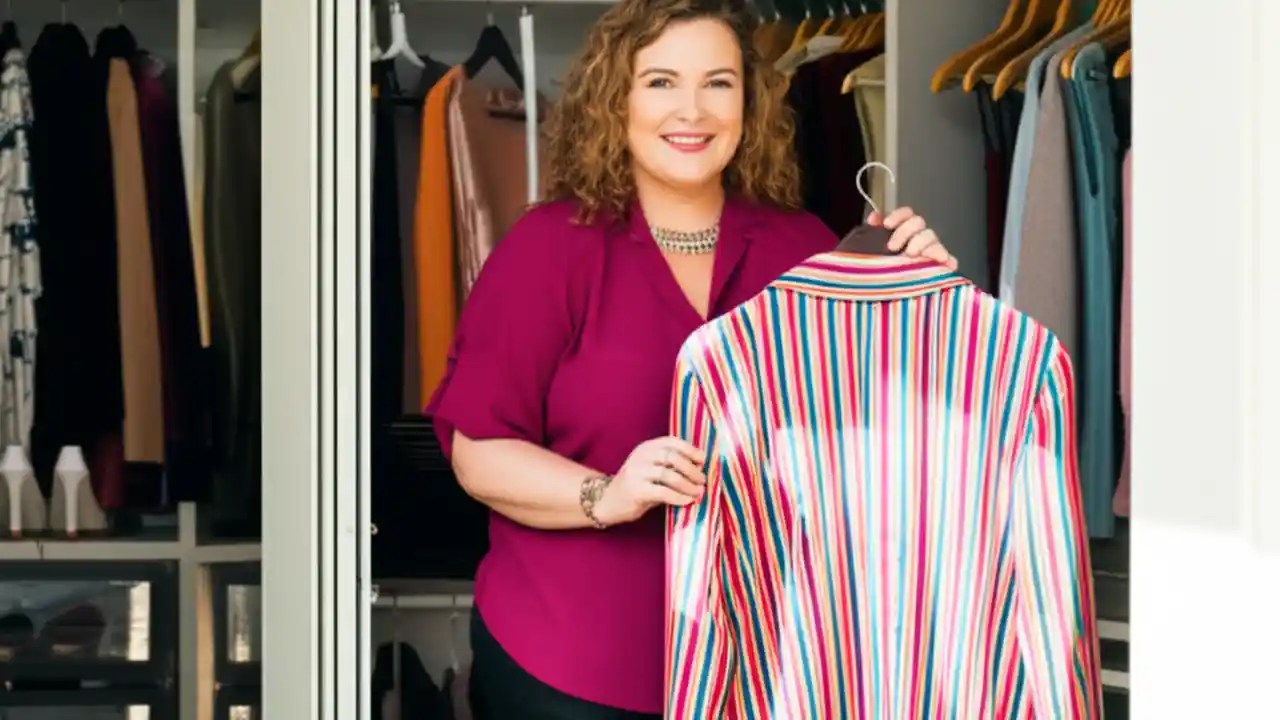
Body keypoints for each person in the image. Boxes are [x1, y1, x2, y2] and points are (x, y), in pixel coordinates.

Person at [426, 1, 958, 718]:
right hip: (574, 662)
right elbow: (478, 451)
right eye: (660, 82)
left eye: (718, 83)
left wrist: (919, 291)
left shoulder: (802, 246)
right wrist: (605, 494)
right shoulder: (549, 249)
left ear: (749, 102)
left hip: (767, 660)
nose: (692, 110)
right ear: (616, 100)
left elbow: (878, 438)